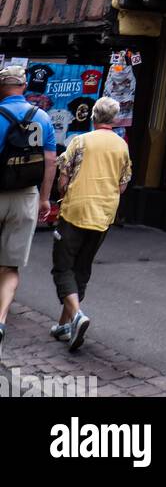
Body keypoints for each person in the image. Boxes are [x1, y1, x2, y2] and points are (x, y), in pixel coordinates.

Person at [49, 95, 131, 352]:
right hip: (103, 214)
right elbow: (123, 183)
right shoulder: (121, 146)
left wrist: (64, 192)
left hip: (76, 210)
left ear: (94, 116)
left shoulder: (80, 141)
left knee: (62, 267)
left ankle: (76, 316)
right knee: (82, 268)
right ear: (114, 118)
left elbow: (64, 176)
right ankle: (65, 323)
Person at [0, 63, 57, 362]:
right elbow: (51, 161)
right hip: (26, 197)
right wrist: (45, 199)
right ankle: (0, 319)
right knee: (9, 268)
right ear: (23, 86)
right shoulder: (43, 117)